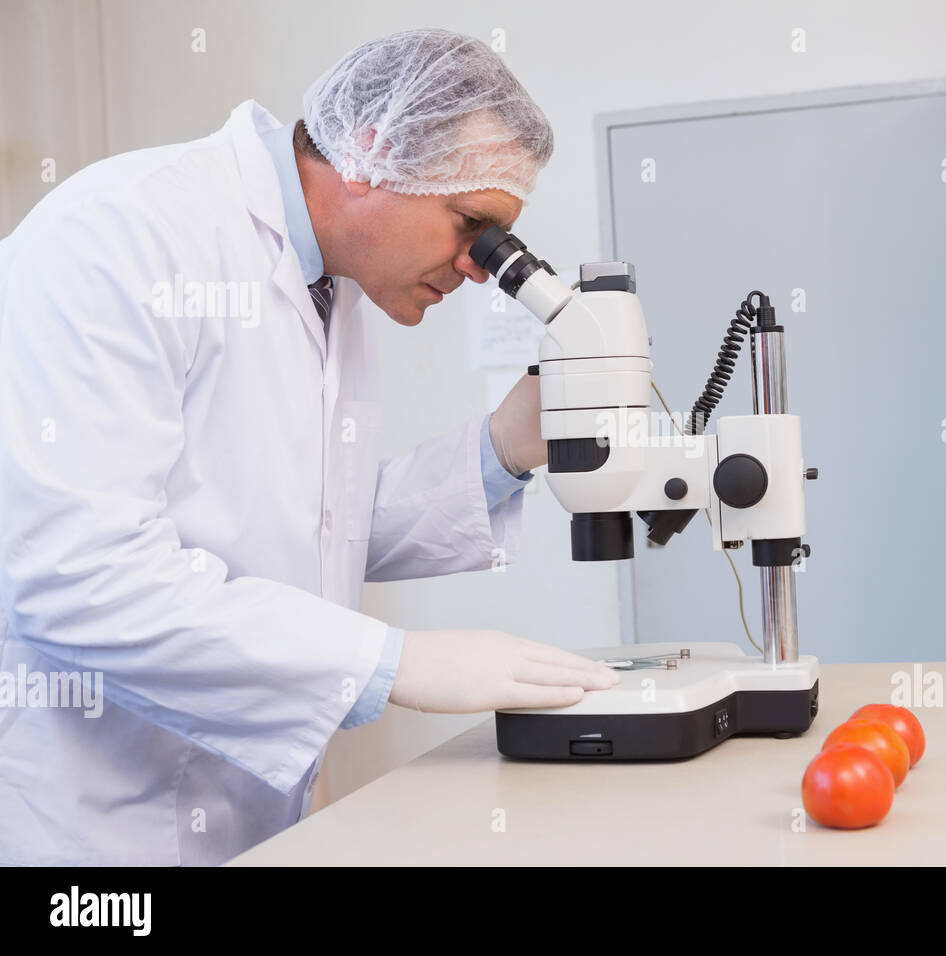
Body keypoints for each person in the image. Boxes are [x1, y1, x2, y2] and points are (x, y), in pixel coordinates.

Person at [0, 28, 619, 866]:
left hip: (249, 821)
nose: (482, 269)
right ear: (371, 149)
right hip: (89, 828)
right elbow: (75, 575)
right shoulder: (122, 233)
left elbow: (313, 529)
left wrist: (504, 447)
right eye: (472, 226)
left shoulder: (327, 282)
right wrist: (393, 662)